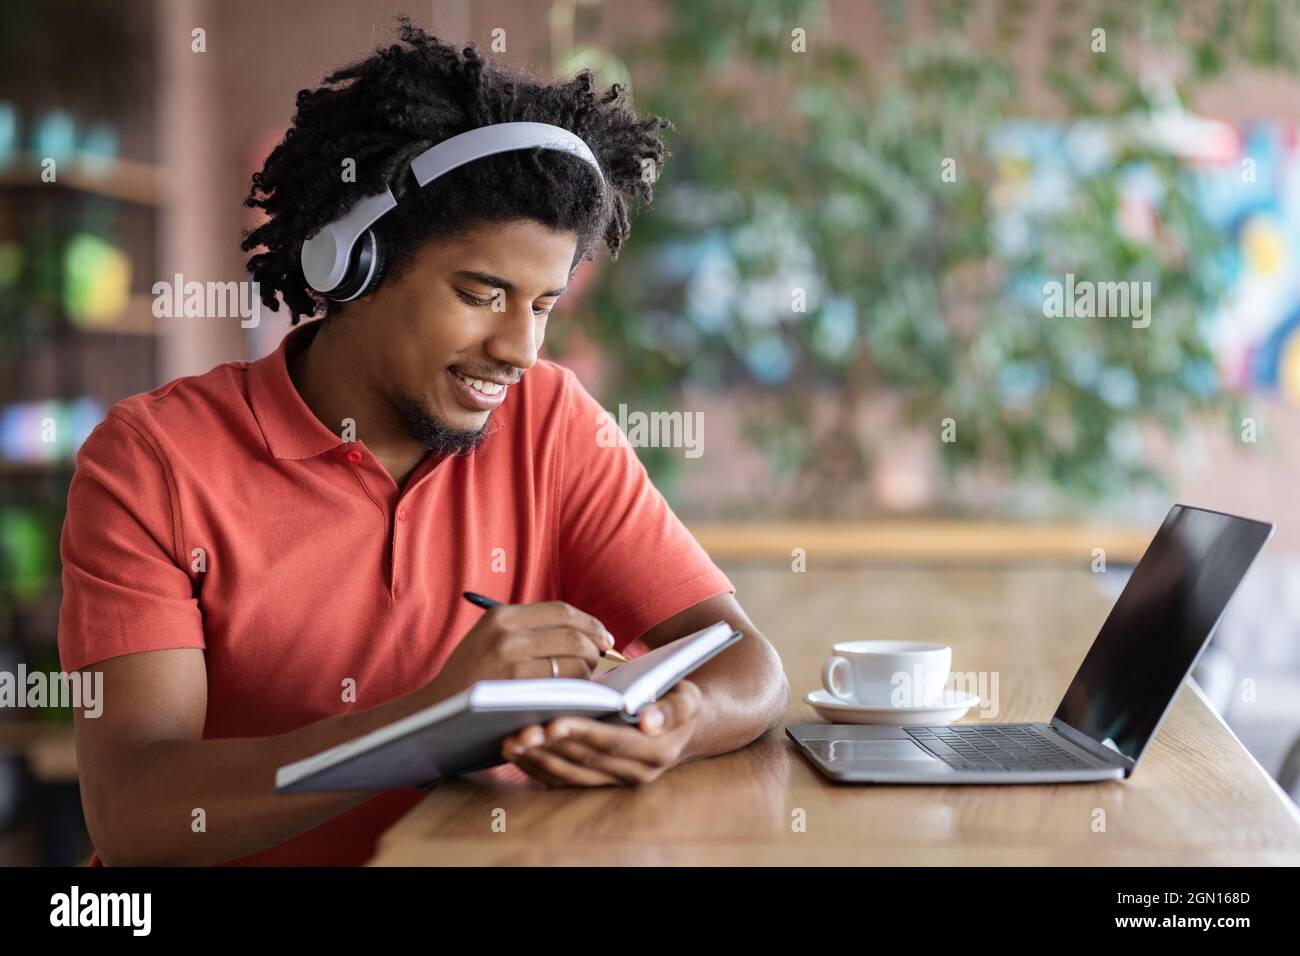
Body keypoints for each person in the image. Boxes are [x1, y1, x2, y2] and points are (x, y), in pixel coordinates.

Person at [58, 18, 788, 866]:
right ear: (352, 265)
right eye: (482, 295)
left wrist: (674, 725)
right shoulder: (151, 462)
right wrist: (436, 720)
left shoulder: (549, 421)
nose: (520, 349)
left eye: (543, 304)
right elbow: (139, 815)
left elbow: (748, 663)